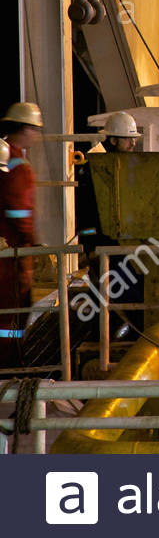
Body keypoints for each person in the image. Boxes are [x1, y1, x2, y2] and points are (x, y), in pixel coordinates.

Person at [74, 112, 145, 341]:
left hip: (116, 242)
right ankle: (108, 340)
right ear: (112, 140)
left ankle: (113, 336)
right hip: (104, 245)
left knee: (114, 291)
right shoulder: (93, 167)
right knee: (116, 291)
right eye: (127, 138)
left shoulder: (114, 164)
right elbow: (86, 212)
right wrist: (91, 246)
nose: (133, 143)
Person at [0, 103, 42, 362]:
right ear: (25, 129)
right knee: (13, 315)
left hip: (7, 249)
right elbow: (20, 213)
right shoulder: (18, 166)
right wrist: (33, 245)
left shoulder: (5, 157)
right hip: (13, 255)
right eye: (36, 129)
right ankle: (10, 364)